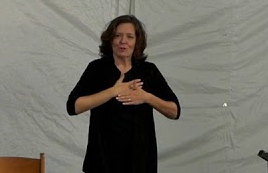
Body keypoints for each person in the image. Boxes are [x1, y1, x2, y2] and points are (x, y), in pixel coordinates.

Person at [65, 14, 181, 173]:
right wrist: (114, 91)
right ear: (110, 40)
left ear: (137, 42)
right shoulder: (96, 69)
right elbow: (73, 106)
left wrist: (146, 97)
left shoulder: (149, 71)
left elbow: (174, 111)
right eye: (117, 36)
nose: (123, 41)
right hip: (101, 161)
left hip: (140, 162)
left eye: (129, 36)